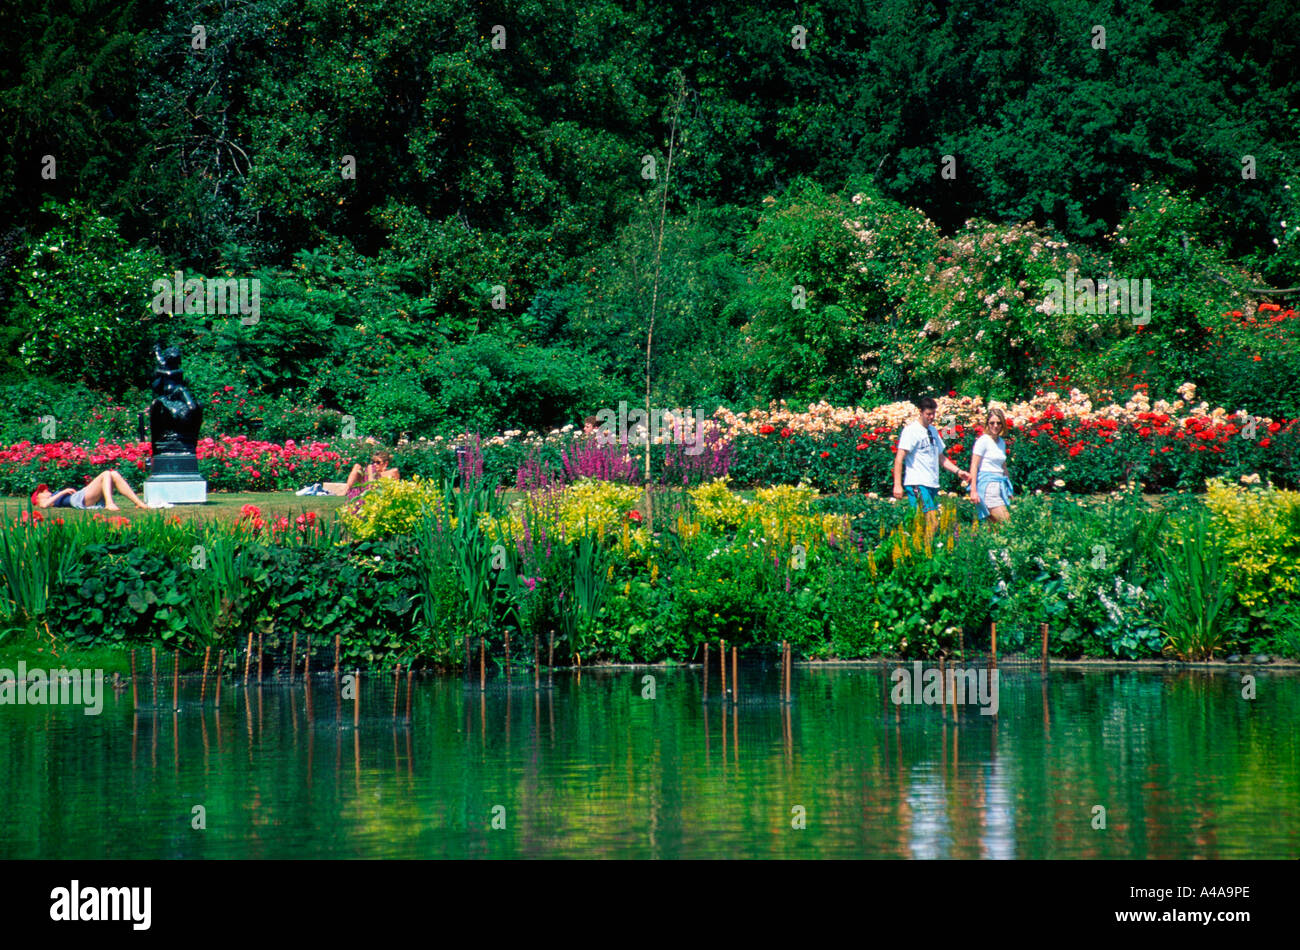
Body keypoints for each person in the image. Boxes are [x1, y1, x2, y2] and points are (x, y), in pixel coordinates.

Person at [892, 396, 971, 531]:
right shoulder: (911, 431)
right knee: (932, 522)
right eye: (928, 414)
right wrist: (897, 485)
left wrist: (958, 472)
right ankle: (926, 550)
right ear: (920, 411)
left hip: (932, 483)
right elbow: (899, 458)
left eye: (933, 413)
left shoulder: (933, 431)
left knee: (923, 525)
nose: (932, 417)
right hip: (917, 483)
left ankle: (920, 549)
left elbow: (940, 458)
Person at [969, 407, 1014, 524]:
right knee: (1006, 521)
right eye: (992, 423)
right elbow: (974, 466)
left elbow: (1003, 467)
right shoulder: (983, 441)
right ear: (987, 424)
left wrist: (1009, 489)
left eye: (999, 423)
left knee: (994, 527)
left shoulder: (1001, 442)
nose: (995, 426)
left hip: (999, 485)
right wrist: (973, 490)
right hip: (988, 486)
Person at [31, 470, 151, 511]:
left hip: (80, 495)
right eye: (43, 491)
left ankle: (138, 503)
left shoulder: (51, 496)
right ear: (38, 496)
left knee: (113, 474)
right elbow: (44, 505)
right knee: (105, 474)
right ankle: (109, 503)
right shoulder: (43, 499)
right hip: (78, 499)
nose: (47, 490)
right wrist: (63, 492)